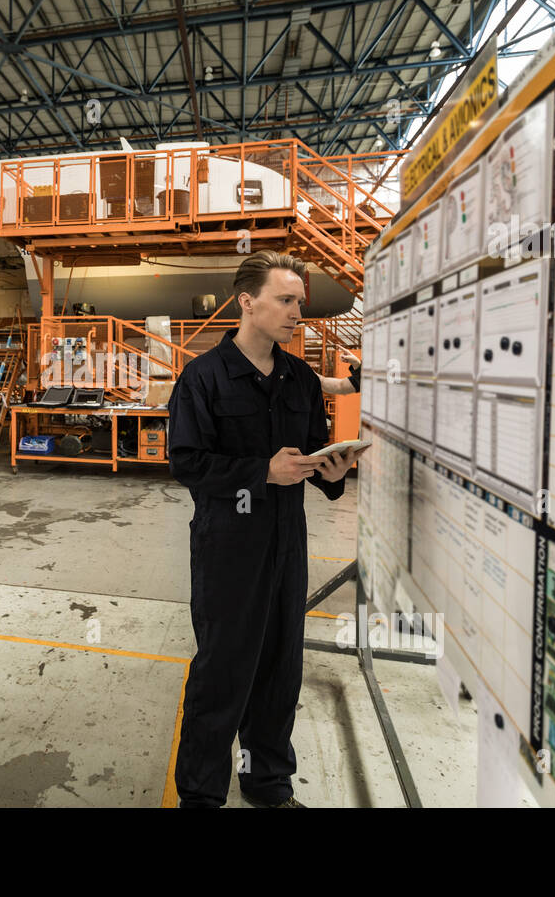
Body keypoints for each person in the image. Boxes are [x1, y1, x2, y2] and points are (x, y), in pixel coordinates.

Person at [167, 249, 365, 808]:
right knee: (222, 674)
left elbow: (314, 460)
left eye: (300, 301)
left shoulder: (300, 378)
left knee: (280, 669)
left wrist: (334, 471)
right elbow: (186, 461)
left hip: (286, 544)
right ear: (247, 302)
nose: (297, 312)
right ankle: (201, 796)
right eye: (285, 299)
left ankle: (268, 783)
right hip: (228, 545)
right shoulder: (203, 377)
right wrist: (262, 471)